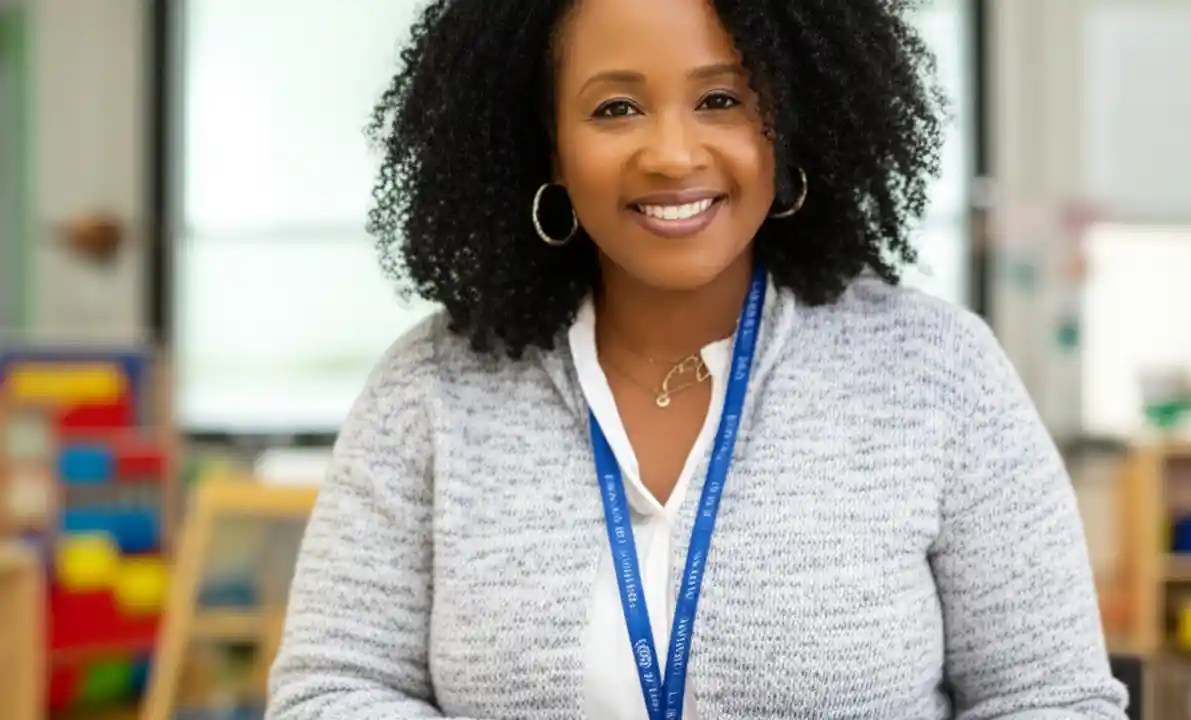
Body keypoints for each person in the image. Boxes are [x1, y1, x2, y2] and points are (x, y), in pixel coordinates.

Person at [267, 0, 1128, 717]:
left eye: (721, 100)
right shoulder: (431, 389)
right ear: (549, 146)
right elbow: (331, 690)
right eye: (615, 107)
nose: (674, 154)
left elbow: (1053, 698)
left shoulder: (938, 372)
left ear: (790, 120)